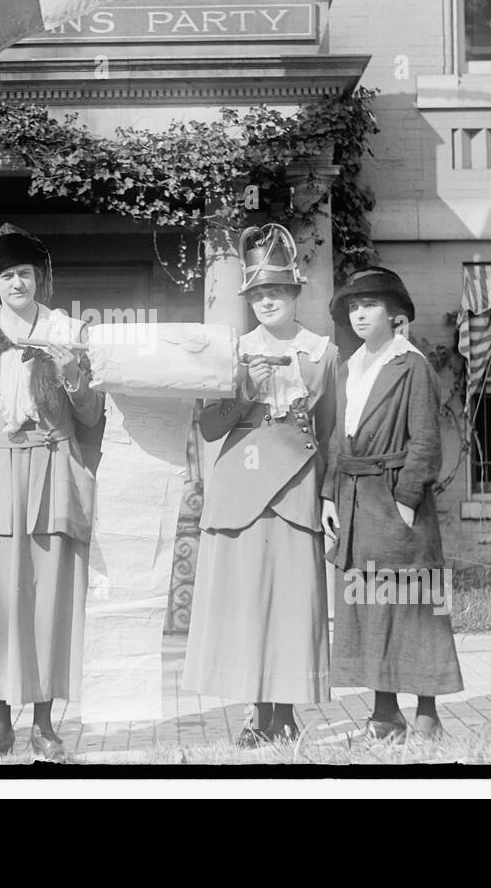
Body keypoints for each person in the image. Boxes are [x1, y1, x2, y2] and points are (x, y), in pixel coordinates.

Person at [0, 223, 104, 763]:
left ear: (39, 279)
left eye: (25, 274)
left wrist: (70, 368)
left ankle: (45, 725)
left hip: (51, 466)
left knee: (48, 597)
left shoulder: (68, 331)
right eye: (6, 275)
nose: (16, 283)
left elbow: (92, 415)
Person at [182, 224, 339, 746]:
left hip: (295, 486)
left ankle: (287, 711)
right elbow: (208, 427)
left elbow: (331, 431)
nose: (267, 301)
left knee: (291, 598)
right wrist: (246, 386)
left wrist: (330, 493)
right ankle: (255, 713)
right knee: (247, 599)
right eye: (258, 294)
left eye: (276, 291)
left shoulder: (322, 353)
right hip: (241, 485)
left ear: (295, 293)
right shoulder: (231, 349)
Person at [320, 267, 464, 742]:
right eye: (353, 308)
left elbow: (425, 441)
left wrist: (406, 499)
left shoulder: (412, 365)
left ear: (394, 314)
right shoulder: (349, 367)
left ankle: (427, 715)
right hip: (356, 502)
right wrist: (328, 495)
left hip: (397, 502)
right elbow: (338, 440)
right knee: (371, 605)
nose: (360, 315)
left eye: (370, 306)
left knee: (415, 601)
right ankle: (385, 716)